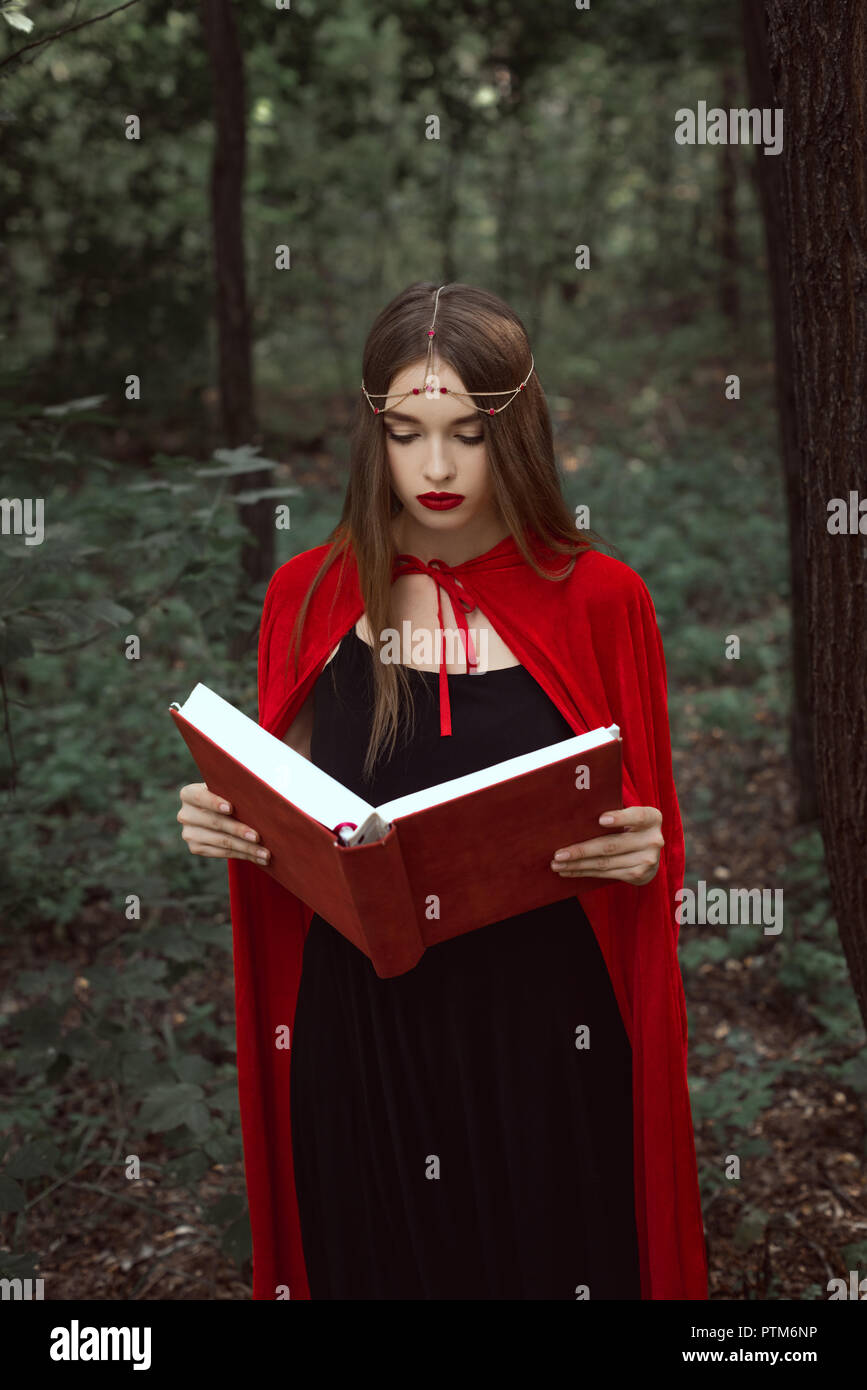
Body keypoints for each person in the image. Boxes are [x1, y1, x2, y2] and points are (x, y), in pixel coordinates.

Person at [176, 282, 708, 1300]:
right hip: (362, 1029)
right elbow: (282, 799)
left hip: (545, 1029)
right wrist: (225, 818)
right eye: (407, 432)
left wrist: (645, 854)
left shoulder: (603, 599)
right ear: (371, 432)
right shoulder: (309, 595)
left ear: (516, 431)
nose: (434, 468)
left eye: (467, 433)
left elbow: (650, 833)